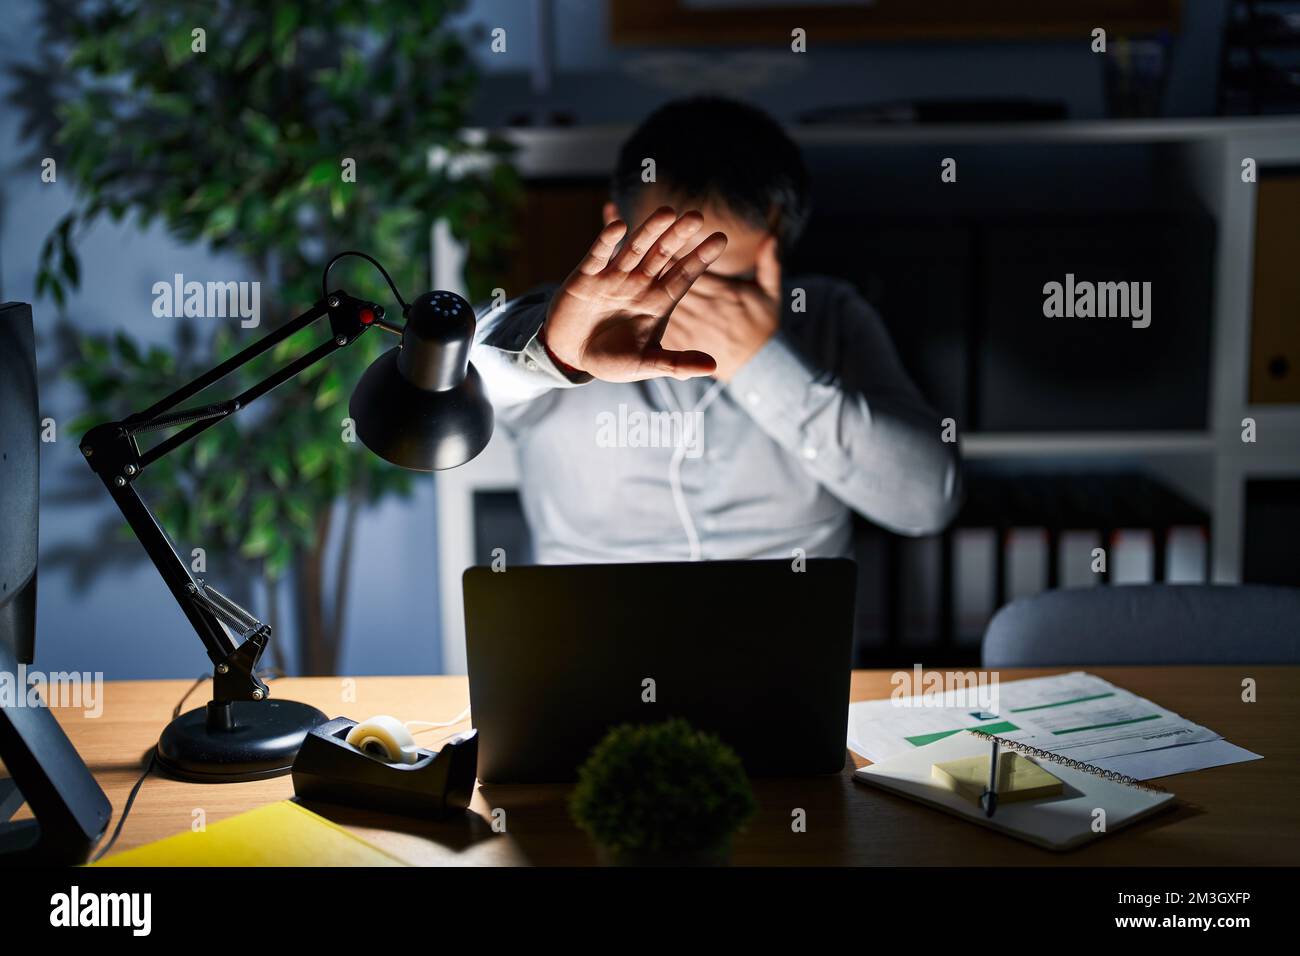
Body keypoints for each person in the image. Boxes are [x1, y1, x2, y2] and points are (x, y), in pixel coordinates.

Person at [471, 96, 962, 564]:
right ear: (616, 225)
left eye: (729, 283)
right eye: (667, 271)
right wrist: (552, 355)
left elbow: (926, 504)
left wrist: (762, 363)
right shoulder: (561, 323)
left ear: (777, 249)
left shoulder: (829, 316)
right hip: (580, 640)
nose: (692, 304)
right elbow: (429, 387)